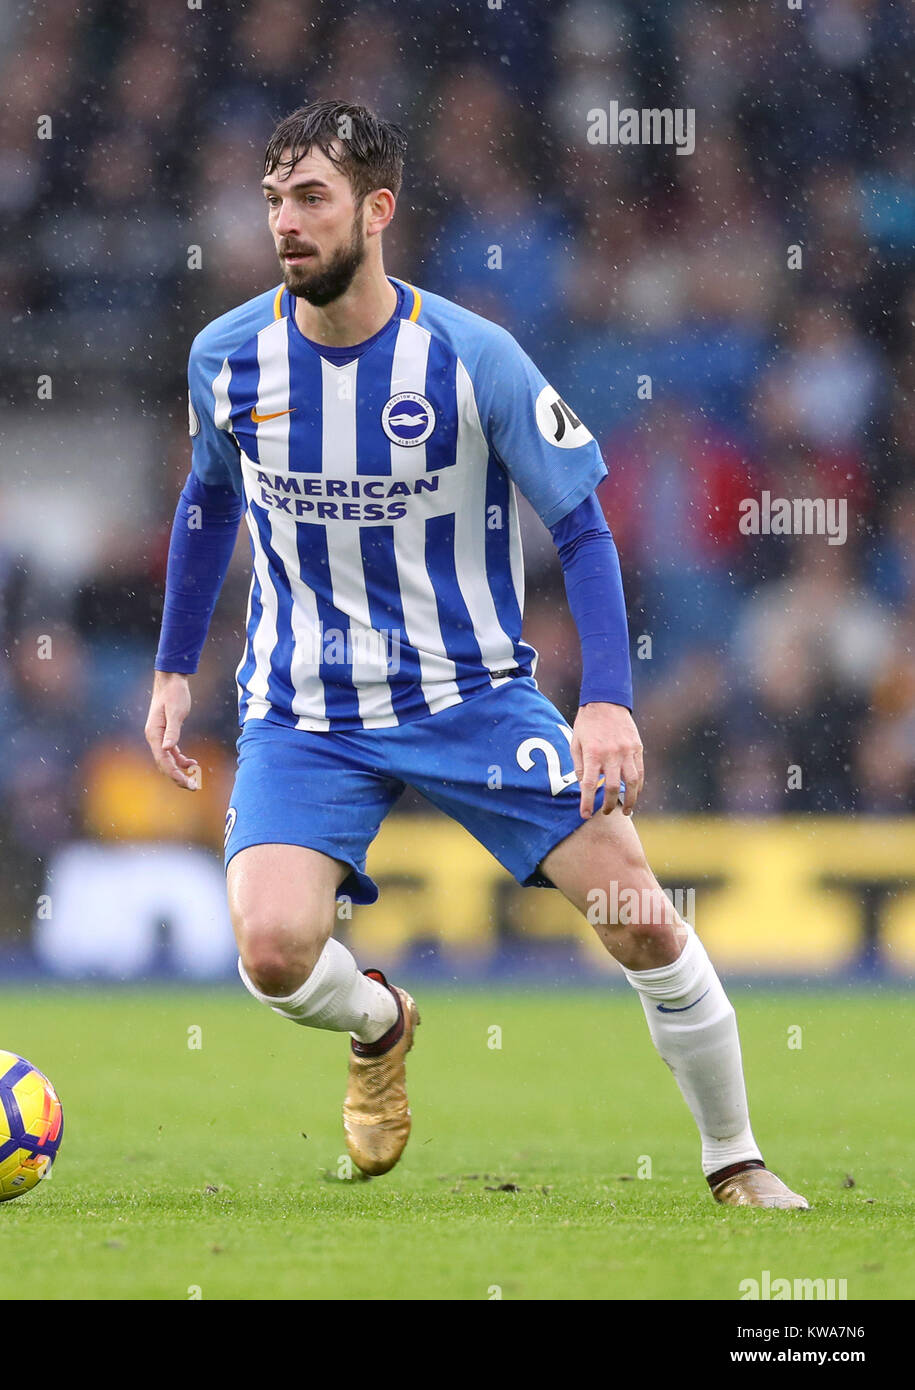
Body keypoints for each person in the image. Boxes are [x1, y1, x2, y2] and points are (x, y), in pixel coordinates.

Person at [146, 100, 807, 1208]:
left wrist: (604, 702)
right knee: (269, 950)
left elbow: (584, 524)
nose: (285, 224)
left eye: (310, 198)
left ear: (377, 207)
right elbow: (206, 502)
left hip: (472, 699)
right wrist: (173, 668)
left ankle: (733, 1159)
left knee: (636, 915)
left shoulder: (469, 354)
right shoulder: (227, 357)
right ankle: (380, 1021)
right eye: (273, 201)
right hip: (305, 710)